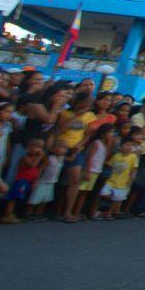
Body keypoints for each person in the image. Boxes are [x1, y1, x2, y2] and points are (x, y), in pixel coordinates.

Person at [56, 93, 96, 223]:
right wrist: (76, 115)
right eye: (85, 103)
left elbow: (88, 135)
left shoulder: (90, 116)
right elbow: (61, 128)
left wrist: (80, 145)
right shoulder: (64, 113)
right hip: (60, 147)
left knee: (75, 180)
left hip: (77, 149)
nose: (87, 106)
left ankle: (68, 211)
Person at [75, 124, 113, 220]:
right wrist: (87, 171)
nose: (112, 134)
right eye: (110, 132)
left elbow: (106, 157)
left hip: (96, 170)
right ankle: (76, 212)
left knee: (86, 192)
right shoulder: (96, 143)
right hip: (90, 170)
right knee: (81, 192)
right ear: (104, 133)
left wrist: (109, 144)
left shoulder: (104, 144)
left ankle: (81, 212)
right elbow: (89, 157)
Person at [1, 142, 44, 224]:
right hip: (21, 180)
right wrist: (39, 157)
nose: (39, 150)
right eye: (37, 147)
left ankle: (13, 213)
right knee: (13, 197)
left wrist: (35, 181)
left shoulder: (37, 157)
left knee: (19, 198)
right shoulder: (24, 156)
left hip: (28, 180)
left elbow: (40, 168)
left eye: (41, 148)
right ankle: (7, 214)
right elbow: (31, 165)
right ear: (28, 148)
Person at [28, 140, 66, 220]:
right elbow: (40, 170)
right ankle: (29, 213)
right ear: (53, 149)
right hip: (42, 182)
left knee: (45, 199)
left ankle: (38, 213)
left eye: (64, 148)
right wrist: (35, 181)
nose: (62, 150)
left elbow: (71, 158)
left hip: (51, 182)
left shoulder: (62, 158)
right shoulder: (49, 159)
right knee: (35, 198)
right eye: (60, 147)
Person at [100, 139, 138, 220]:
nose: (129, 147)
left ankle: (110, 213)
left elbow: (134, 169)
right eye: (127, 145)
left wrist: (131, 180)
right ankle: (115, 209)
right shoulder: (116, 156)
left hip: (123, 182)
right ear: (121, 147)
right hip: (112, 180)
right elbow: (109, 164)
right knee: (104, 193)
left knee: (116, 199)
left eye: (131, 145)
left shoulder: (133, 157)